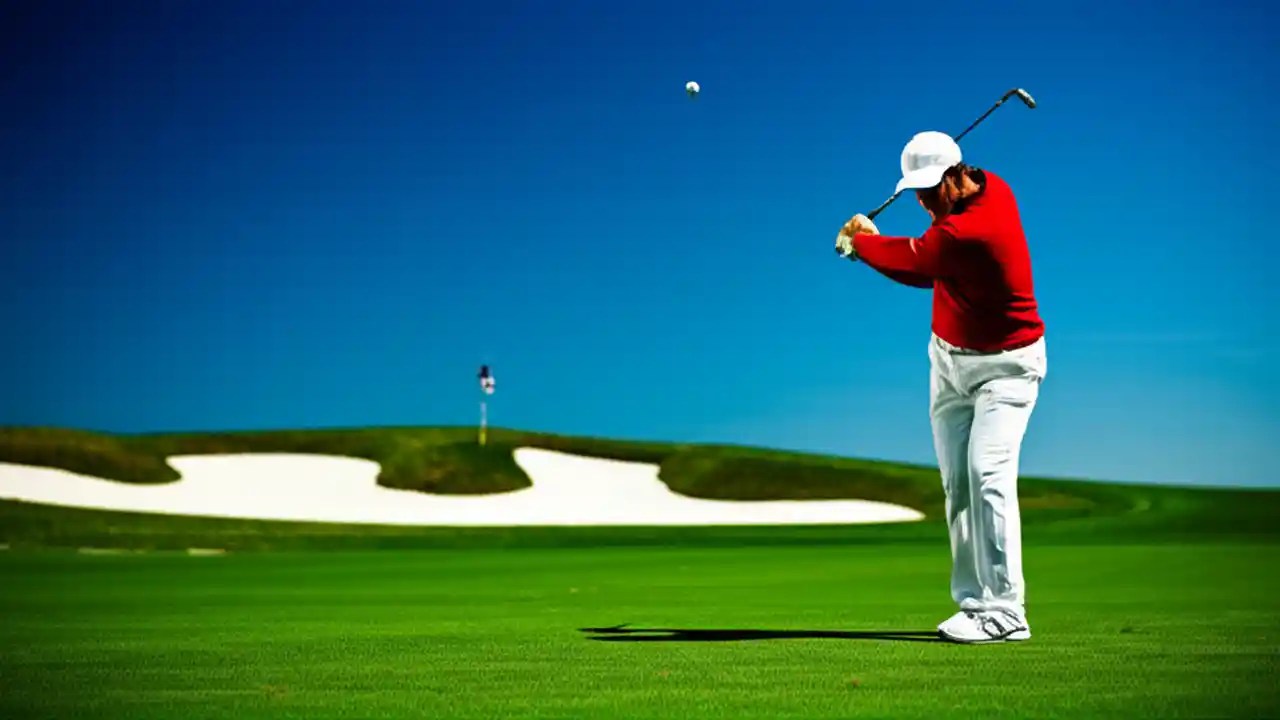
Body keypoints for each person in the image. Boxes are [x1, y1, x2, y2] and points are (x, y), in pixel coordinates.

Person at [835, 131, 1047, 644]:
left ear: (955, 175)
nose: (925, 201)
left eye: (931, 190)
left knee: (987, 474)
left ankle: (1007, 610)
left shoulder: (974, 228)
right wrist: (874, 240)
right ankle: (975, 605)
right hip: (949, 363)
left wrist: (861, 242)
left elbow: (919, 262)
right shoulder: (985, 184)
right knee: (957, 484)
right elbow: (930, 252)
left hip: (1006, 369)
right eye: (917, 192)